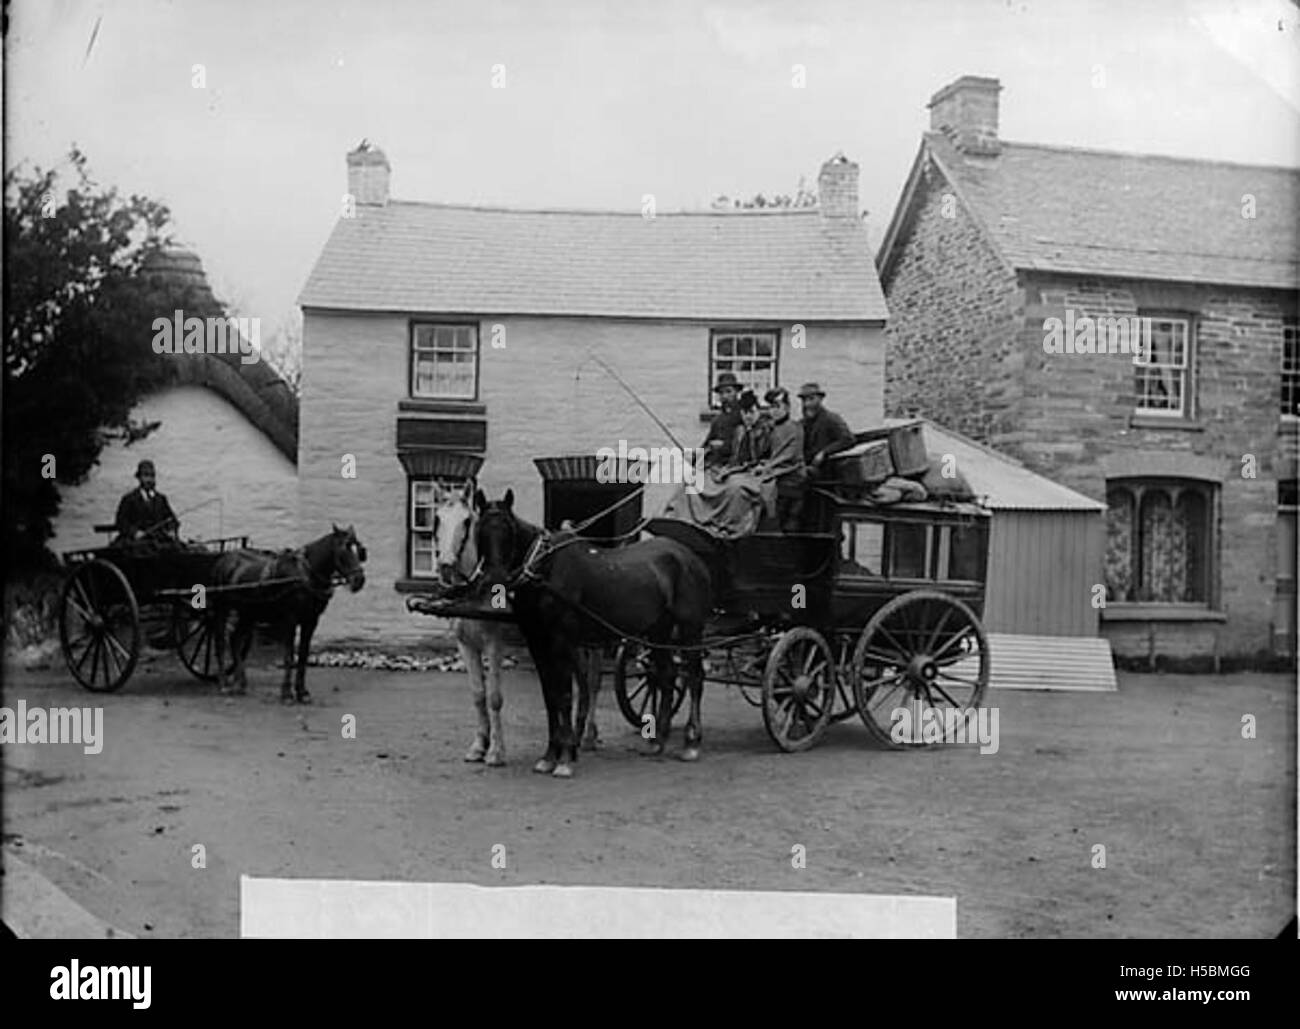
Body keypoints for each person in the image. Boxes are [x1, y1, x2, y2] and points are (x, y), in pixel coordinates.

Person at [759, 387, 807, 532]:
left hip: (791, 475)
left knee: (758, 490)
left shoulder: (794, 428)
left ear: (787, 407)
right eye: (770, 407)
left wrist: (767, 467)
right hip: (774, 471)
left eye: (777, 406)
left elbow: (788, 455)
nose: (773, 411)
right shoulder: (770, 427)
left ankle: (769, 528)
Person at [114, 460, 180, 545]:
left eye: (151, 476)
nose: (149, 480)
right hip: (136, 542)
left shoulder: (161, 499)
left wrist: (171, 530)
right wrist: (134, 532)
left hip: (158, 540)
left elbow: (171, 519)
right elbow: (121, 522)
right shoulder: (129, 499)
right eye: (146, 476)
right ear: (139, 478)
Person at [798, 382, 855, 479]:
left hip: (826, 471)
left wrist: (824, 452)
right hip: (806, 467)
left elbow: (848, 439)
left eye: (811, 399)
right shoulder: (802, 423)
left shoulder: (831, 419)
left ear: (820, 399)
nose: (807, 404)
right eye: (804, 400)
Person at [701, 372, 743, 468]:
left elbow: (744, 444)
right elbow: (707, 443)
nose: (724, 396)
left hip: (735, 466)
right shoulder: (717, 420)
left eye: (728, 392)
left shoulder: (743, 416)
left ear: (736, 392)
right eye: (721, 393)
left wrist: (722, 446)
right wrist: (695, 455)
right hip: (715, 464)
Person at [727, 390, 772, 470]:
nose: (748, 416)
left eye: (751, 412)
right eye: (745, 412)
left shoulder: (767, 429)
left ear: (758, 411)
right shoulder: (739, 430)